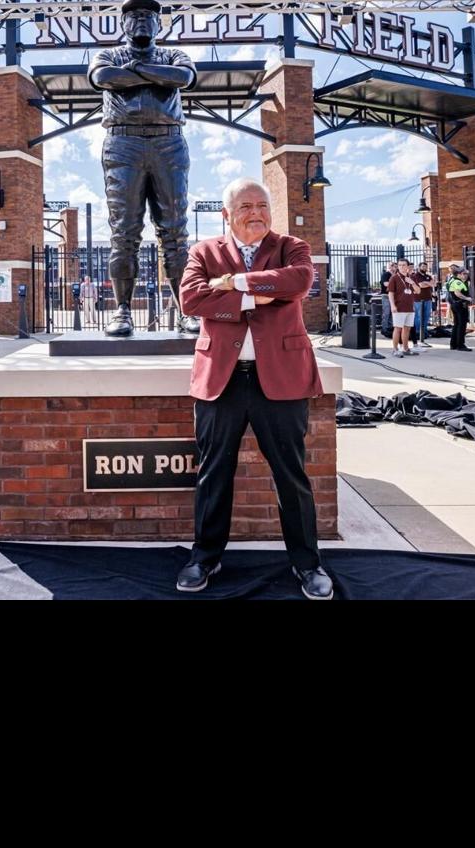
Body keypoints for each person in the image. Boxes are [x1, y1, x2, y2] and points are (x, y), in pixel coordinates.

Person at [176, 178, 332, 600]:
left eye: (261, 205)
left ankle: (307, 564)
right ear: (226, 214)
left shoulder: (291, 246)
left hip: (281, 378)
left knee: (290, 474)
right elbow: (190, 299)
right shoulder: (203, 252)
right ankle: (204, 557)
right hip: (221, 378)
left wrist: (234, 283)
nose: (256, 213)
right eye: (245, 206)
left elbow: (298, 281)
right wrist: (255, 298)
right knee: (213, 472)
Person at [91, 0, 201, 336]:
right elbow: (103, 77)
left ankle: (187, 311)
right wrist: (158, 78)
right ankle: (122, 311)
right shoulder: (108, 56)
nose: (142, 20)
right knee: (124, 233)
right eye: (135, 15)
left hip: (169, 143)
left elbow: (184, 77)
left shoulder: (173, 55)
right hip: (123, 143)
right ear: (123, 24)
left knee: (175, 232)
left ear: (159, 24)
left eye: (149, 16)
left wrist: (135, 74)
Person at [387, 259, 419, 357]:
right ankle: (395, 349)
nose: (401, 267)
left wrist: (412, 283)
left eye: (403, 265)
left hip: (410, 307)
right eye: (399, 265)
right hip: (399, 307)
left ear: (408, 267)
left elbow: (418, 291)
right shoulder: (394, 278)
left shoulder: (412, 277)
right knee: (398, 328)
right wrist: (392, 305)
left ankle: (405, 348)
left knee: (407, 328)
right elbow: (390, 293)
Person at [444, 264, 474, 351]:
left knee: (456, 324)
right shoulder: (458, 282)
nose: (466, 275)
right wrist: (467, 298)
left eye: (466, 274)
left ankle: (453, 344)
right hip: (460, 305)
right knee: (462, 325)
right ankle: (460, 345)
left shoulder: (452, 279)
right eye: (464, 274)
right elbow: (457, 293)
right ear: (459, 274)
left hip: (455, 304)